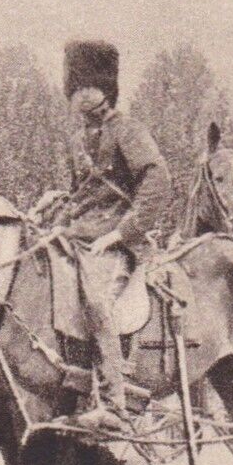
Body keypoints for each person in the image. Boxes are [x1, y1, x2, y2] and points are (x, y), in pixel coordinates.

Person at [48, 40, 172, 433]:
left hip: (114, 241)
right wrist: (56, 215)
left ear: (106, 89)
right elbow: (80, 195)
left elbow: (157, 182)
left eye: (89, 86)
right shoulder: (75, 139)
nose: (82, 94)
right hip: (76, 234)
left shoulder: (128, 131)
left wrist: (120, 234)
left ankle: (114, 398)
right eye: (76, 87)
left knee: (96, 299)